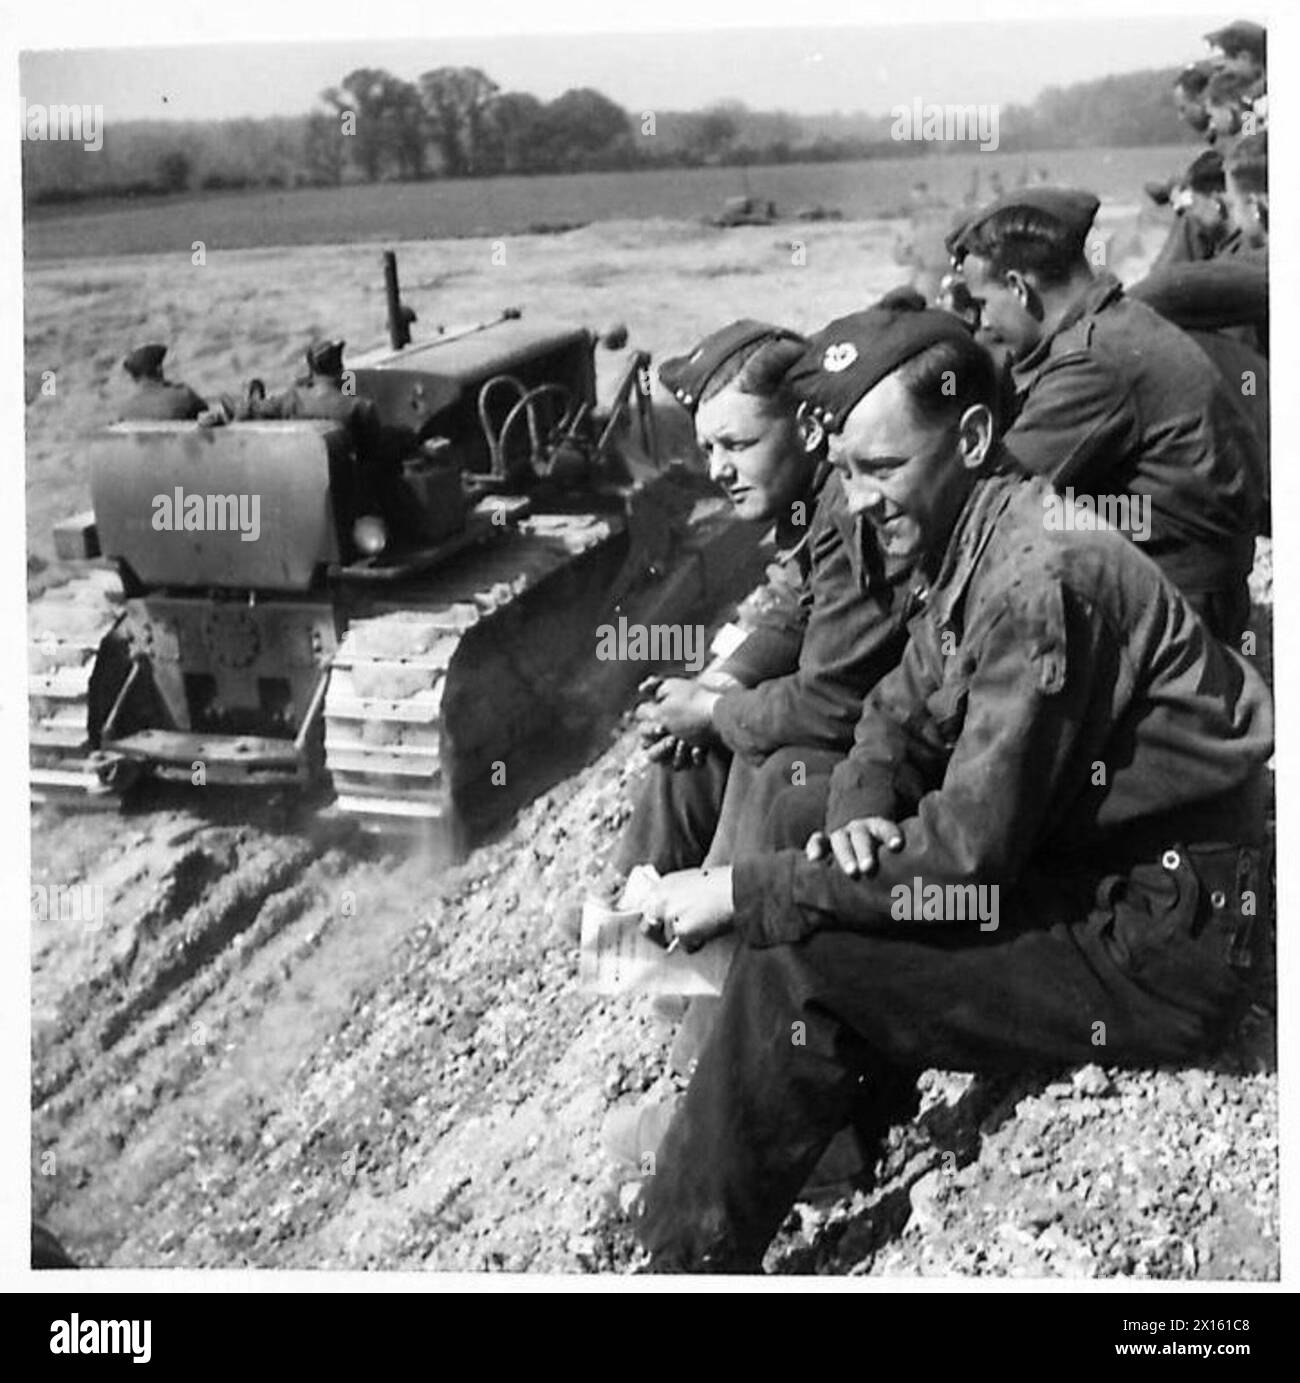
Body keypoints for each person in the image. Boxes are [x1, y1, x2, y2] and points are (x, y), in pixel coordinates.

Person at [625, 307, 1273, 1273]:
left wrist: (737, 890)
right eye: (844, 471)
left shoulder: (1037, 580)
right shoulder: (982, 532)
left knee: (803, 956)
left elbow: (967, 855)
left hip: (1160, 938)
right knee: (819, 859)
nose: (859, 499)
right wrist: (853, 819)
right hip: (1107, 876)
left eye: (881, 470)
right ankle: (811, 1144)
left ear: (970, 437)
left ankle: (675, 1260)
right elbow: (893, 713)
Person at [617, 313, 923, 882]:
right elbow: (795, 605)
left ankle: (719, 922)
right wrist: (718, 685)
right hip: (862, 720)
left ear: (808, 429)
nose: (717, 470)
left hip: (902, 746)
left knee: (771, 763)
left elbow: (830, 702)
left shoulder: (851, 512)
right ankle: (633, 900)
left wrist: (711, 711)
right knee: (687, 747)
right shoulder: (811, 501)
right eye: (708, 448)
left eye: (736, 444)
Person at [949, 186, 1264, 643]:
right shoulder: (1119, 322)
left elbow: (991, 499)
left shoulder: (1094, 361)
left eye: (982, 304)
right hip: (1198, 584)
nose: (982, 324)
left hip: (1177, 606)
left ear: (1019, 288)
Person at [116, 343, 206, 421]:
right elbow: (206, 415)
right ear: (159, 370)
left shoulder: (125, 409)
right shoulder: (184, 395)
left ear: (134, 378)